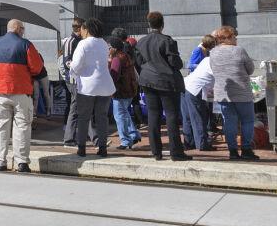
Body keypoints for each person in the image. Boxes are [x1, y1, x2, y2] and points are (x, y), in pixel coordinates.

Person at [191, 26, 257, 160]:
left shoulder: (213, 53)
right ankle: (246, 149)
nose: (236, 39)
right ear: (227, 38)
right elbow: (250, 70)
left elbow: (215, 70)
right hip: (242, 93)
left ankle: (232, 151)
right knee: (247, 121)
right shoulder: (239, 50)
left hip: (223, 94)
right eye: (234, 36)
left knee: (229, 122)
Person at [132, 11, 191, 161]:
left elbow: (138, 62)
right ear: (162, 24)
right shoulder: (167, 41)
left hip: (147, 80)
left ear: (149, 24)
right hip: (166, 81)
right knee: (171, 116)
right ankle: (176, 152)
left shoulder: (141, 41)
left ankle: (156, 151)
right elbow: (175, 63)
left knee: (153, 115)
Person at [0, 20, 45, 171]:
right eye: (23, 29)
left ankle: (0, 161)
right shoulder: (26, 44)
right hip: (21, 91)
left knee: (1, 125)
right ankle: (21, 161)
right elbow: (37, 67)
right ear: (18, 29)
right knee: (22, 126)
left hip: (0, 91)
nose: (23, 31)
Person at [65, 17, 115, 157]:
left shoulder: (83, 44)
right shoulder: (104, 43)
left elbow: (76, 65)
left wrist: (71, 67)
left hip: (87, 86)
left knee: (83, 117)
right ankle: (102, 148)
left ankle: (82, 148)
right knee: (102, 117)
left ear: (86, 29)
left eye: (81, 28)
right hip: (105, 85)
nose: (80, 30)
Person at [108, 30, 142, 149]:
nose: (108, 49)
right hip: (130, 90)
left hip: (120, 92)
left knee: (119, 116)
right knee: (125, 113)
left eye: (109, 47)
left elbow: (114, 76)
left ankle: (125, 141)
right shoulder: (126, 55)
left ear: (114, 48)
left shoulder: (116, 59)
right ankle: (134, 134)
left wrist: (109, 62)